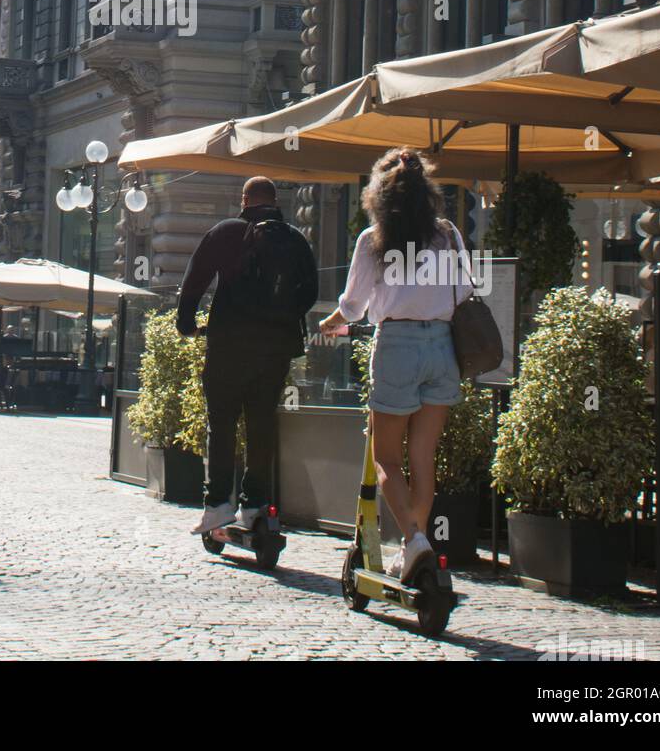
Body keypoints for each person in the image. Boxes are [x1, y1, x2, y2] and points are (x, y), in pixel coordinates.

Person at [319, 147, 470, 582]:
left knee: (385, 457)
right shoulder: (448, 234)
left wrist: (331, 324)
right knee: (423, 456)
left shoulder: (374, 239)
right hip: (442, 345)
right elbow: (463, 292)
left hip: (398, 345)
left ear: (377, 195)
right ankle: (413, 545)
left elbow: (353, 305)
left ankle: (416, 540)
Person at [176, 176, 318, 536]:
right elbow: (311, 291)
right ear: (274, 201)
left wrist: (187, 323)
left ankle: (218, 504)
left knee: (221, 422)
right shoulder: (295, 239)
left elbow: (195, 280)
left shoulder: (225, 233)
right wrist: (282, 318)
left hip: (228, 343)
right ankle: (256, 504)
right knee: (261, 424)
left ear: (244, 199)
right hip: (275, 348)